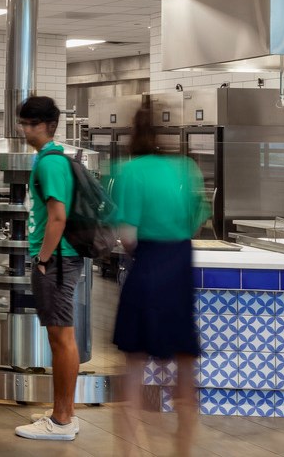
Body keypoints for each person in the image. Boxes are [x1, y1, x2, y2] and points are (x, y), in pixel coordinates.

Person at [111, 105, 208, 457]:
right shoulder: (187, 168)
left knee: (135, 368)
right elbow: (197, 223)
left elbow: (128, 235)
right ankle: (183, 451)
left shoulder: (129, 171)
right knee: (184, 372)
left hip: (149, 266)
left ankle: (129, 451)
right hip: (180, 267)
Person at [13, 96, 83, 441]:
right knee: (60, 336)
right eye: (23, 123)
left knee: (61, 337)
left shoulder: (50, 164)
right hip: (57, 259)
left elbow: (58, 216)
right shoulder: (47, 159)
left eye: (31, 124)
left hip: (56, 260)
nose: (25, 129)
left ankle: (62, 420)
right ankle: (63, 413)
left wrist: (42, 259)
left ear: (49, 126)